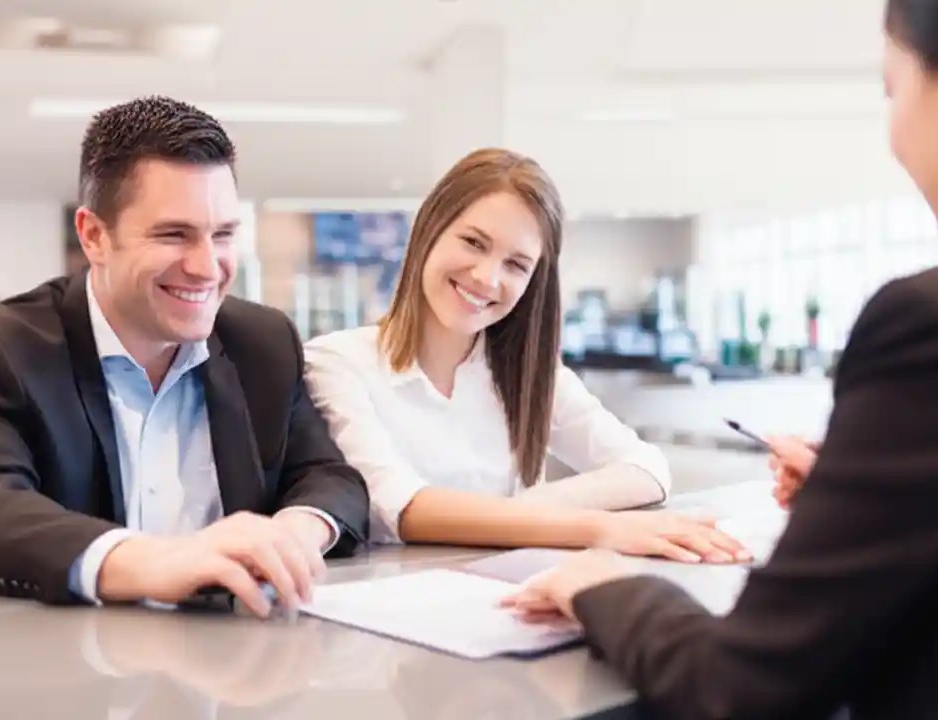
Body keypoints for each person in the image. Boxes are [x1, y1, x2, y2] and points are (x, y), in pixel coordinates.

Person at [504, 2, 938, 717]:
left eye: (892, 92)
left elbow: (742, 691)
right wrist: (868, 492)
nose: (896, 137)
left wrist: (602, 587)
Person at [0, 96, 369, 618]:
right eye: (174, 234)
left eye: (222, 235)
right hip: (63, 673)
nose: (206, 266)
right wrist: (153, 562)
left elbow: (330, 478)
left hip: (234, 663)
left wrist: (291, 534)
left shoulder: (261, 342)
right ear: (94, 236)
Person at [304, 148, 748, 563]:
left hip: (509, 596)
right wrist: (589, 528)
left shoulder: (527, 374)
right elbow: (399, 504)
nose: (485, 277)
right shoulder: (335, 362)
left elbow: (646, 467)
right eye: (474, 242)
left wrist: (531, 507)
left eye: (516, 265)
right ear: (429, 231)